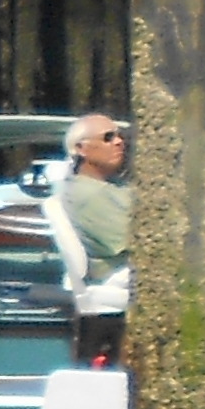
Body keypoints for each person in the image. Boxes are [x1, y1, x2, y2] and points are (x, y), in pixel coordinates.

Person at [57, 111, 131, 362]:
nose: (119, 142)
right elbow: (137, 244)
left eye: (120, 136)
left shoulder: (110, 186)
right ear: (82, 149)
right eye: (108, 137)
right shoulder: (87, 195)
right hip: (119, 275)